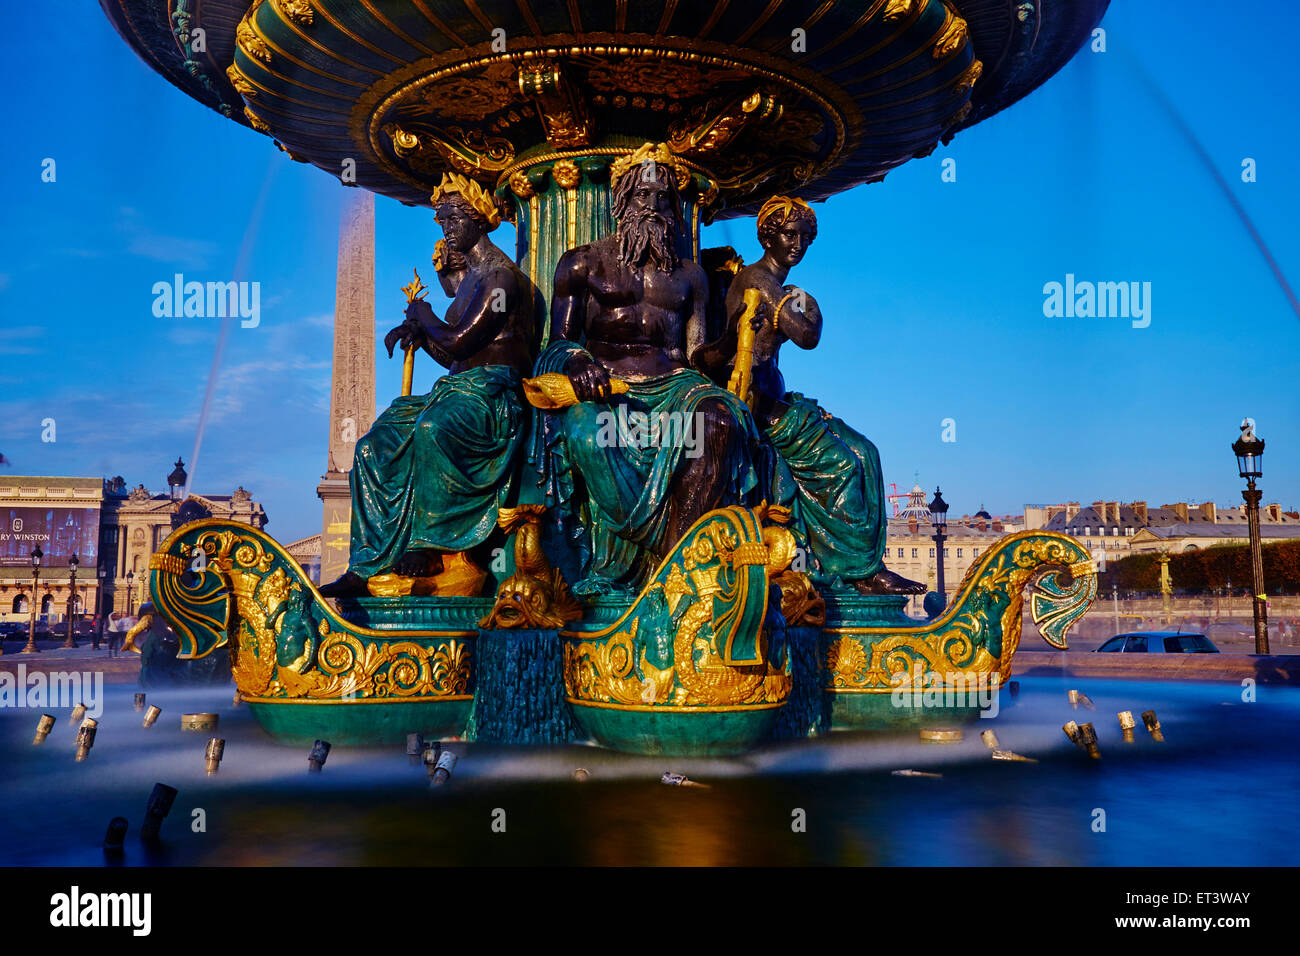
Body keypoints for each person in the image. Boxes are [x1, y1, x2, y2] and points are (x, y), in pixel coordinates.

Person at [533, 143, 760, 593]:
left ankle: (678, 563)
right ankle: (657, 551)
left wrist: (733, 339)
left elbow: (695, 357)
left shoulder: (691, 277)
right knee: (582, 430)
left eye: (663, 199)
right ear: (621, 201)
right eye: (643, 196)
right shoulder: (583, 263)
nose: (653, 207)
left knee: (717, 422)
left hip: (676, 385)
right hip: (607, 388)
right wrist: (578, 362)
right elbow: (555, 343)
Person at [692, 195, 922, 595]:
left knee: (866, 452)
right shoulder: (756, 280)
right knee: (841, 465)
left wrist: (801, 301)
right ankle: (856, 571)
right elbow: (807, 335)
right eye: (789, 234)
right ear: (767, 236)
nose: (798, 244)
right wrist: (802, 304)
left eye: (805, 237)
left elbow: (806, 328)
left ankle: (869, 562)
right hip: (757, 407)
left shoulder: (781, 286)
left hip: (783, 402)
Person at [320, 174, 536, 597]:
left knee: (432, 428)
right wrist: (420, 335)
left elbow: (461, 340)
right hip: (458, 391)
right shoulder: (470, 282)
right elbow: (454, 355)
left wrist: (424, 313)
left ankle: (432, 546)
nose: (447, 228)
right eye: (442, 221)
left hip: (493, 395)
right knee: (373, 445)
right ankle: (367, 562)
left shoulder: (500, 279)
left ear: (479, 219)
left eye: (454, 218)